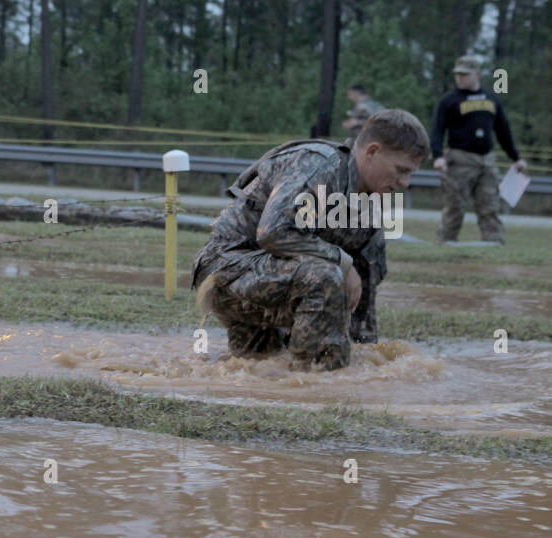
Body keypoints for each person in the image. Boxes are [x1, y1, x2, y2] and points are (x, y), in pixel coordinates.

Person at [191, 109, 431, 371]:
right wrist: (342, 260)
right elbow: (273, 231)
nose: (406, 183)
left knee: (261, 368)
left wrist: (368, 362)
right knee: (325, 276)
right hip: (227, 271)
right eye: (401, 170)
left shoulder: (371, 203)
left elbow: (365, 289)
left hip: (275, 282)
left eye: (411, 174)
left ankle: (304, 380)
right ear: (373, 151)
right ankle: (321, 384)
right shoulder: (320, 166)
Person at [430, 56, 527, 244]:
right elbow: (437, 130)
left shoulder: (492, 98)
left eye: (464, 75)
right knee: (454, 207)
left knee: (490, 206)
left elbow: (503, 131)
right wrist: (438, 156)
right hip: (459, 160)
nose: (459, 78)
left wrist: (516, 157)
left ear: (477, 74)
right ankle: (444, 245)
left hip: (487, 161)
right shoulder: (448, 100)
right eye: (457, 74)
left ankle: (494, 244)